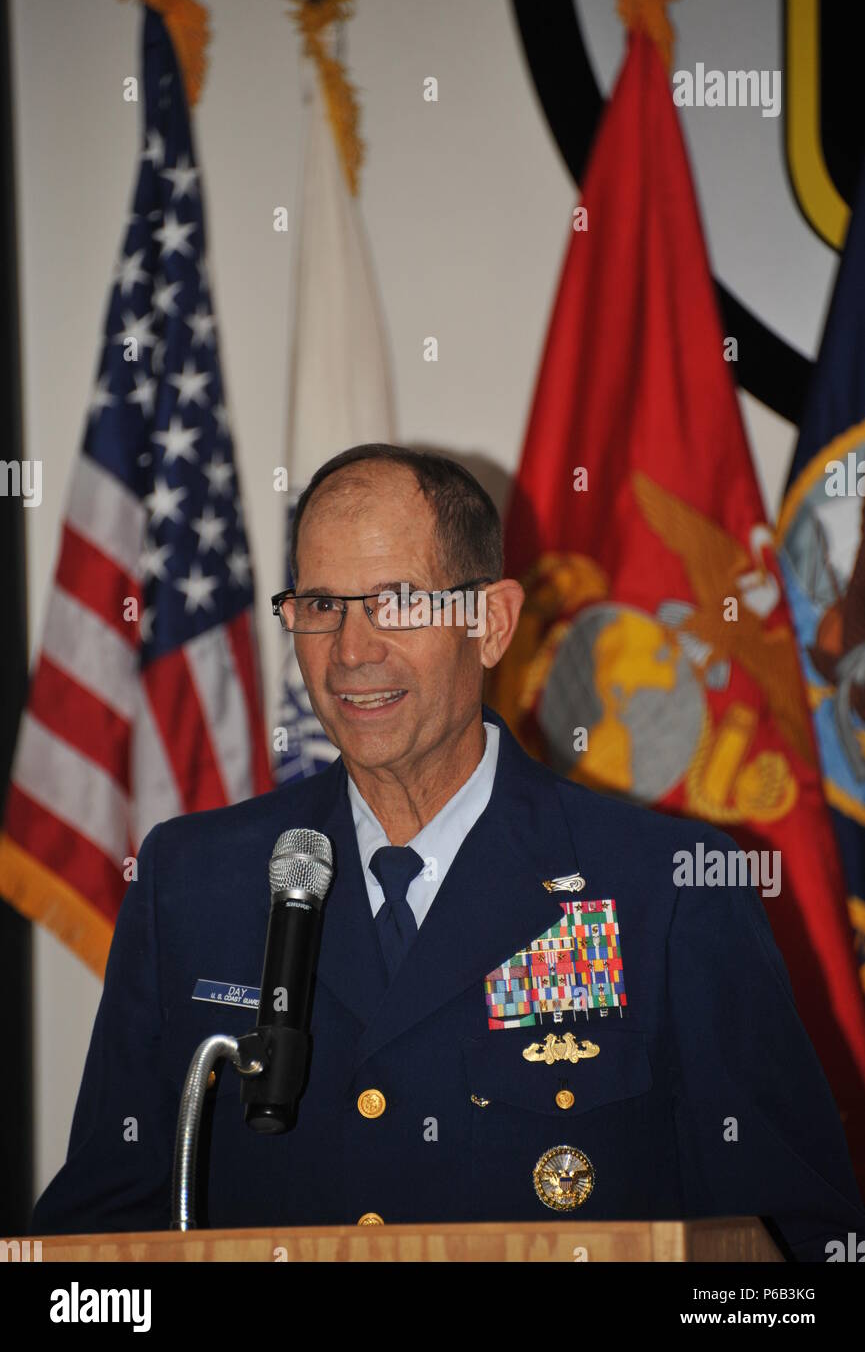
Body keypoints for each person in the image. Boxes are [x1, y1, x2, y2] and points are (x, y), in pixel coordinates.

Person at [31, 444, 865, 1259]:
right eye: (321, 605)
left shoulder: (667, 890)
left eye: (396, 600)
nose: (351, 651)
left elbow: (796, 1249)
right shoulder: (192, 881)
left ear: (491, 623)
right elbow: (99, 1237)